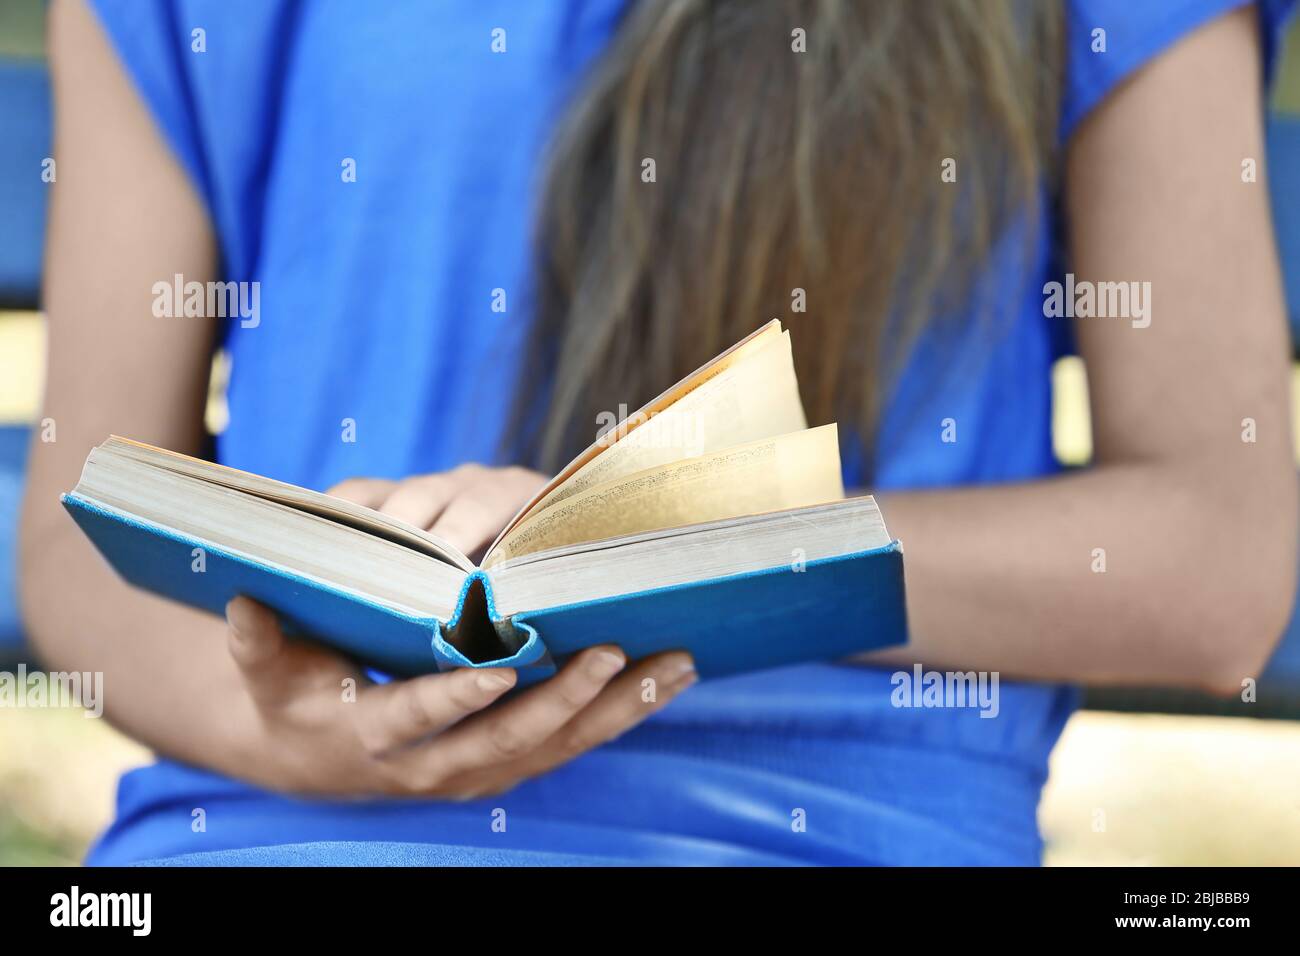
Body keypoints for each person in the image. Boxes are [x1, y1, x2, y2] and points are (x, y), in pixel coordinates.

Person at [20, 0, 1299, 865]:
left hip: (833, 836)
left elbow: (1209, 558)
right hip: (281, 825)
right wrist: (291, 737)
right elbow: (84, 528)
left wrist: (685, 535)